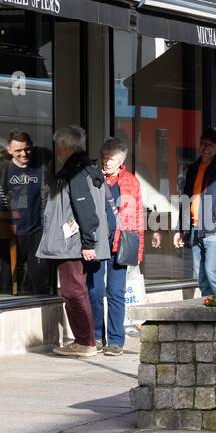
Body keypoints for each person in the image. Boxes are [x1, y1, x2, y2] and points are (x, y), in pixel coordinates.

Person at [37, 125, 108, 357]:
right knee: (79, 290)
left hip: (73, 245)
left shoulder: (76, 171)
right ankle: (86, 339)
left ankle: (84, 341)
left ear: (65, 146)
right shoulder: (87, 168)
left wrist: (88, 243)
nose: (57, 149)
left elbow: (84, 208)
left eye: (58, 144)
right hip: (78, 243)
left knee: (73, 291)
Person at [164, 127, 216, 297]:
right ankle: (208, 312)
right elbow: (186, 199)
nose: (205, 147)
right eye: (202, 144)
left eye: (210, 144)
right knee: (201, 277)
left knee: (212, 271)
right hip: (195, 229)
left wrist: (214, 218)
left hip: (215, 228)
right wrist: (180, 230)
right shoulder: (193, 168)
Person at [88, 137, 143, 356]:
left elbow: (138, 215)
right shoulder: (92, 178)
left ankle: (116, 340)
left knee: (116, 292)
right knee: (94, 291)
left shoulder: (131, 181)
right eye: (104, 158)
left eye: (111, 159)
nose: (107, 162)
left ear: (121, 160)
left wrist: (137, 250)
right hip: (96, 243)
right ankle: (97, 335)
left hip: (120, 244)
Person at [0, 130, 51, 296]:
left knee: (39, 280)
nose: (24, 154)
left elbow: (48, 199)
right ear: (9, 150)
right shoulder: (3, 172)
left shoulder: (41, 170)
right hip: (10, 233)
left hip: (36, 231)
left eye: (27, 149)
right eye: (18, 151)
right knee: (8, 285)